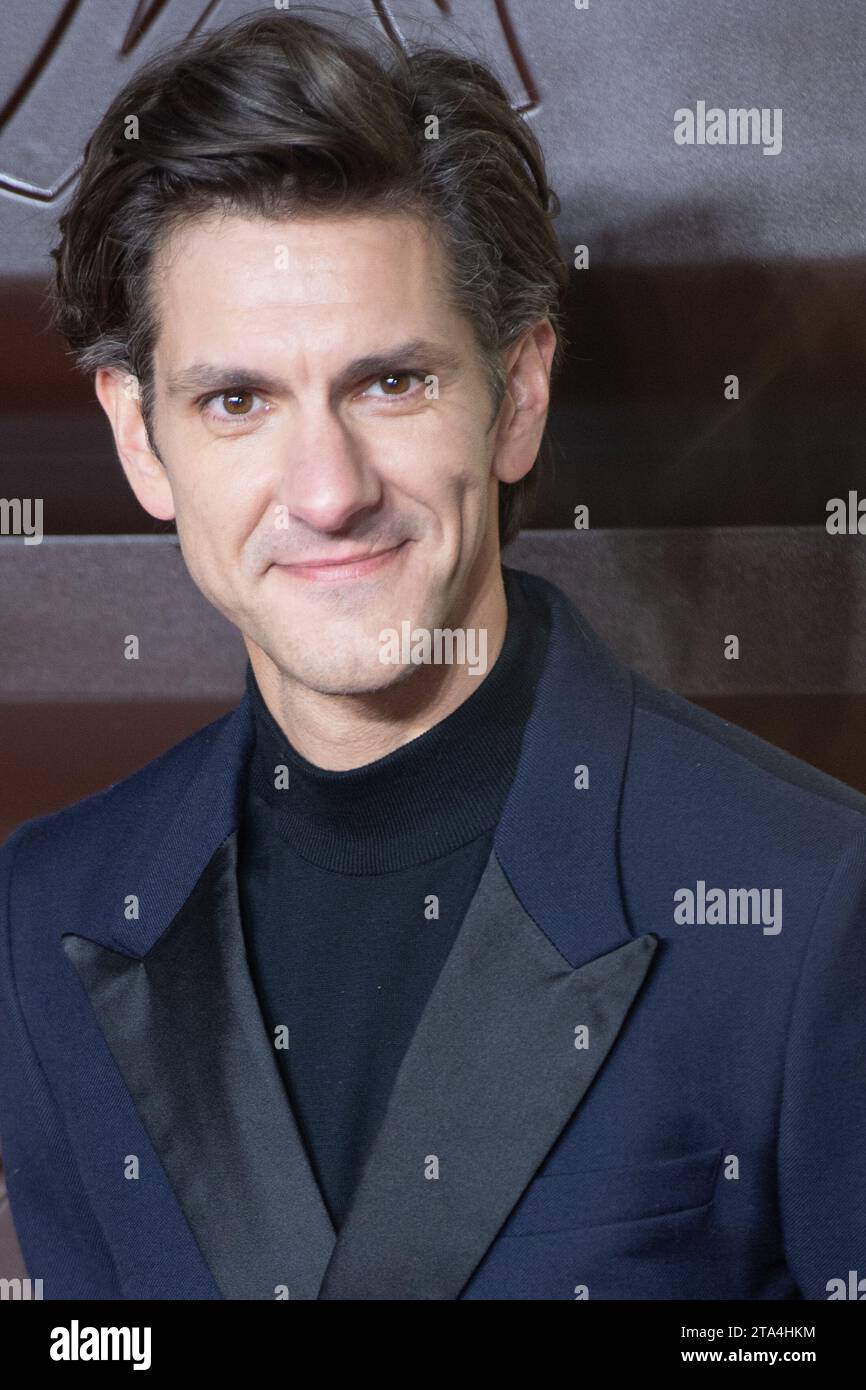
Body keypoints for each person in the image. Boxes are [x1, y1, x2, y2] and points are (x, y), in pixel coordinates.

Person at [1, 7, 864, 1301]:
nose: (328, 488)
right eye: (237, 401)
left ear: (515, 394)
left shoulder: (807, 898)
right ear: (139, 438)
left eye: (389, 383)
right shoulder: (41, 909)